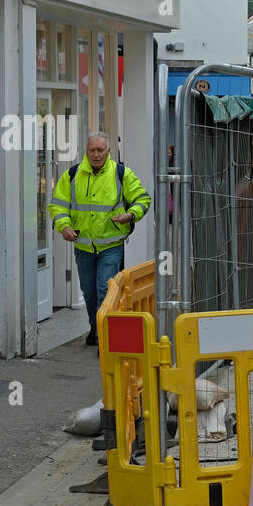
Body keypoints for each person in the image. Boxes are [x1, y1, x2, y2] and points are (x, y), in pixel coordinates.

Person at [48, 132, 151, 347]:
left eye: (100, 150)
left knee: (106, 290)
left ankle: (104, 337)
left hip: (111, 246)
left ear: (108, 151)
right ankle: (95, 326)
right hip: (83, 246)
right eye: (92, 150)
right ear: (86, 151)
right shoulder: (73, 174)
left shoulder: (121, 173)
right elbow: (57, 205)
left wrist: (130, 215)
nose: (96, 155)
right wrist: (64, 226)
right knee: (89, 291)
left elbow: (142, 198)